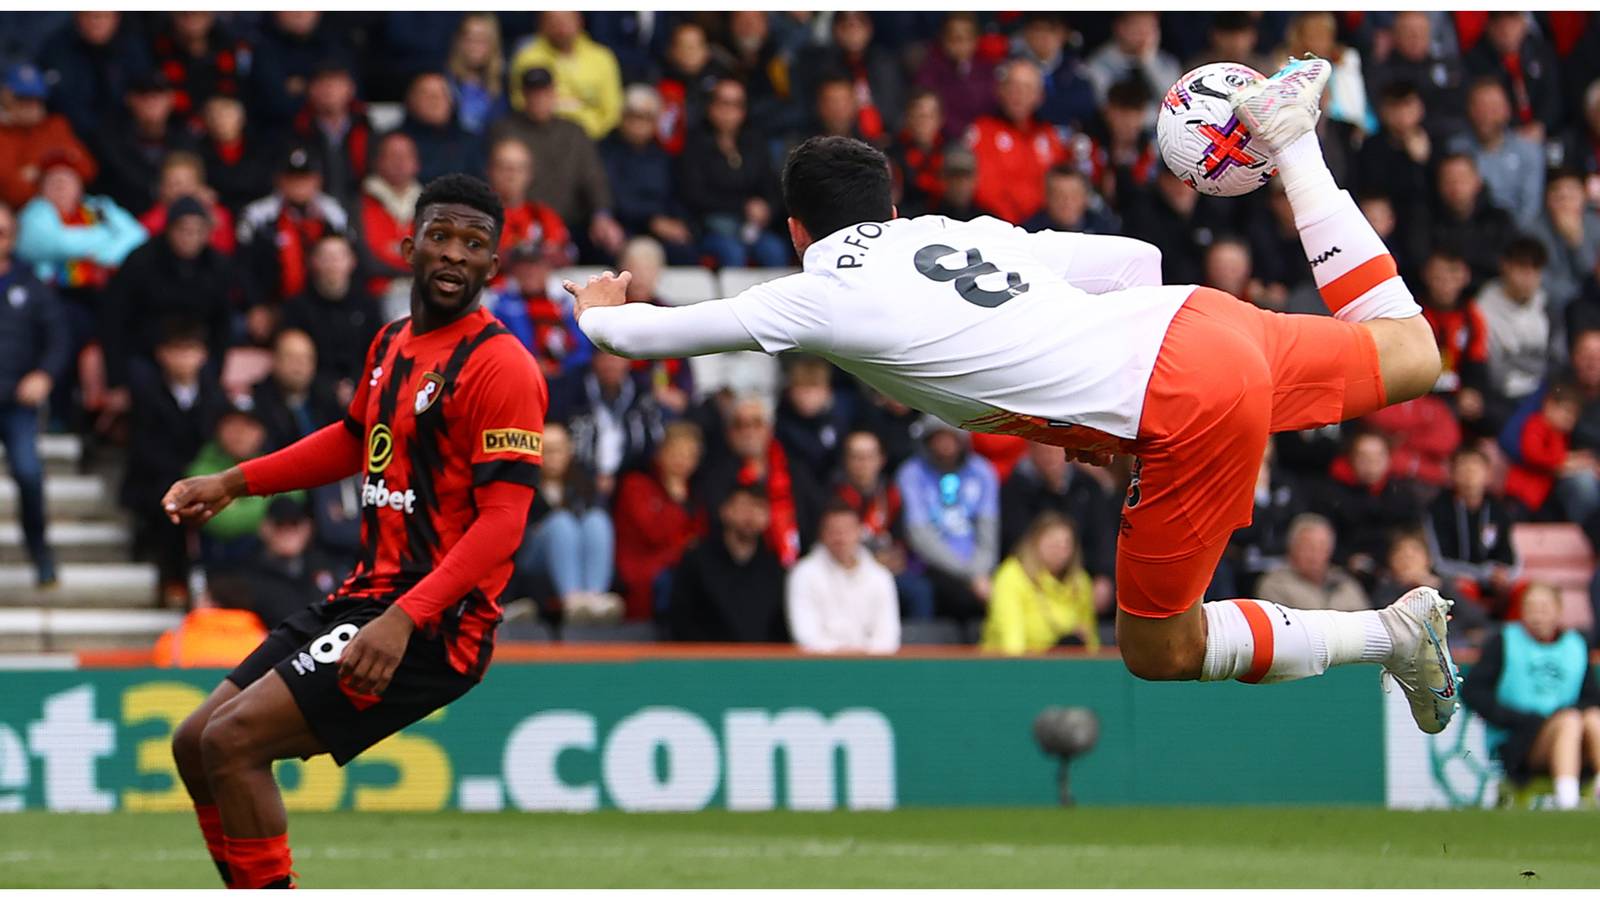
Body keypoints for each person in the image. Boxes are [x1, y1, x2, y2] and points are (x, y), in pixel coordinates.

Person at [570, 61, 1462, 734]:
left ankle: (1391, 635)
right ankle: (1295, 145)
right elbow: (1136, 262)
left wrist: (597, 306)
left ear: (800, 230)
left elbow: (638, 336)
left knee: (1160, 648)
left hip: (1180, 399)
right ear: (890, 207)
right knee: (1413, 354)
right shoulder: (954, 230)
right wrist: (1098, 401)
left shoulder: (817, 292)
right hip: (1192, 317)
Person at [160, 174, 547, 889]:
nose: (454, 254)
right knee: (194, 744)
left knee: (234, 742)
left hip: (434, 623)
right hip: (366, 596)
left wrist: (403, 620)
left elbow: (503, 523)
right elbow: (351, 439)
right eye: (440, 236)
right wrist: (232, 481)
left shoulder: (502, 367)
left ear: (494, 265)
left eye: (474, 244)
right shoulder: (392, 342)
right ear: (408, 247)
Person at [1462, 583, 1600, 811]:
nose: (1537, 616)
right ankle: (1567, 802)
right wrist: (1518, 718)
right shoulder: (1503, 641)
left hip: (1572, 732)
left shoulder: (1576, 645)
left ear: (1558, 611)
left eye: (1544, 608)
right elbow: (1474, 691)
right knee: (1569, 722)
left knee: (1593, 718)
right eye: (1531, 608)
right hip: (1519, 739)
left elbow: (1591, 697)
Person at [125, 321, 227, 605]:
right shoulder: (146, 393)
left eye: (190, 350)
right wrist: (183, 476)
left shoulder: (215, 395)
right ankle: (172, 579)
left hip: (206, 475)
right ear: (162, 354)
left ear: (203, 355)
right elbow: (142, 445)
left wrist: (200, 474)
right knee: (169, 507)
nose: (184, 358)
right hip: (159, 477)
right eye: (177, 350)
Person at [101, 195, 235, 399]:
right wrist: (116, 380)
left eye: (197, 231)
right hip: (146, 350)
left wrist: (213, 366)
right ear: (169, 230)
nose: (189, 237)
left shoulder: (218, 266)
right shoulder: (141, 261)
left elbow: (222, 322)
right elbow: (115, 319)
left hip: (196, 352)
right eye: (183, 230)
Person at [487, 67, 623, 260]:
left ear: (554, 93)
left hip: (572, 223)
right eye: (533, 93)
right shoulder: (505, 130)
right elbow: (493, 177)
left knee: (608, 246)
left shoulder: (573, 132)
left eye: (544, 93)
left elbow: (593, 178)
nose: (539, 99)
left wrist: (601, 215)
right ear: (523, 95)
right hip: (521, 222)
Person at [0, 201, 68, 586]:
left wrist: (44, 374)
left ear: (13, 238)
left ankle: (40, 549)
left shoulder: (32, 285)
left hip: (17, 401)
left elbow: (58, 337)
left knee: (28, 473)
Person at [892, 415, 1000, 626]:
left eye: (950, 436)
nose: (945, 443)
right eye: (938, 437)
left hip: (980, 566)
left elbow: (989, 529)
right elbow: (920, 536)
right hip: (932, 566)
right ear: (927, 440)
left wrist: (979, 570)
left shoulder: (982, 471)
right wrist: (969, 575)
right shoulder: (911, 474)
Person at [677, 78, 789, 268]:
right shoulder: (695, 144)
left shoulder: (754, 143)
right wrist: (743, 206)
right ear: (711, 106)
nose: (730, 111)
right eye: (724, 103)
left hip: (752, 227)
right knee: (732, 251)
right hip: (710, 226)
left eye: (737, 104)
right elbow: (694, 195)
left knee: (774, 250)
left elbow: (771, 185)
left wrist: (766, 207)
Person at [514, 422, 618, 624]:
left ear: (569, 451)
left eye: (558, 450)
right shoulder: (523, 484)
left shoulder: (583, 483)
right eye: (546, 450)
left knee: (597, 519)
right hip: (531, 558)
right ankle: (572, 599)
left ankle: (595, 597)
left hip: (577, 553)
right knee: (560, 523)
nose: (553, 457)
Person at [667, 483, 788, 642]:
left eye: (759, 508)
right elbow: (680, 619)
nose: (750, 515)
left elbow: (780, 627)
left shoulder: (774, 569)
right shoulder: (696, 561)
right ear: (725, 510)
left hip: (761, 655)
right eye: (744, 506)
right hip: (706, 654)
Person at [236, 146, 350, 313]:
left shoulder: (333, 215)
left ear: (317, 180)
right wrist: (255, 306)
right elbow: (244, 267)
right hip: (272, 305)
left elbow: (349, 263)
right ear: (279, 180)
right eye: (293, 178)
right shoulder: (257, 215)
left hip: (323, 305)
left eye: (305, 178)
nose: (299, 185)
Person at [613, 421, 705, 620]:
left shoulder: (697, 493)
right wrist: (675, 498)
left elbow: (699, 537)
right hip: (644, 574)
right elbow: (655, 533)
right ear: (661, 453)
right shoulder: (636, 486)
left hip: (679, 569)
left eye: (689, 456)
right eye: (676, 453)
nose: (682, 461)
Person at [208, 496, 344, 630]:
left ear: (307, 528)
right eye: (280, 524)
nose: (288, 532)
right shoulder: (245, 578)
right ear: (264, 528)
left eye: (294, 524)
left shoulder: (324, 566)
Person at [786, 500, 901, 654]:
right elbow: (806, 636)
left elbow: (888, 637)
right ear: (822, 534)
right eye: (833, 531)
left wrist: (861, 657)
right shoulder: (803, 574)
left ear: (859, 531)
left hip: (871, 665)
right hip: (820, 665)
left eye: (847, 530)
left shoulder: (881, 577)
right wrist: (844, 656)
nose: (840, 538)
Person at [600, 84, 697, 265]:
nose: (639, 124)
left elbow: (674, 195)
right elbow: (611, 196)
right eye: (634, 116)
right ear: (622, 117)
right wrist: (652, 220)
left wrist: (679, 223)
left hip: (658, 226)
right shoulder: (605, 151)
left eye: (647, 118)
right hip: (622, 224)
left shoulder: (663, 156)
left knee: (686, 251)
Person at [981, 511, 1099, 655]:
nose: (1060, 550)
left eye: (1066, 544)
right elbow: (1012, 641)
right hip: (1015, 663)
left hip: (1065, 662)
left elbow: (1090, 640)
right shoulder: (1012, 576)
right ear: (1035, 542)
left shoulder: (1081, 582)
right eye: (1053, 543)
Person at [279, 235, 383, 397]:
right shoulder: (296, 308)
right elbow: (293, 355)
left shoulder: (368, 305)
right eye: (326, 257)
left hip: (364, 388)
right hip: (311, 391)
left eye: (339, 257)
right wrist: (328, 389)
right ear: (313, 261)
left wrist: (356, 384)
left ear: (352, 261)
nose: (333, 264)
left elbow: (378, 353)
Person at [968, 60, 1068, 226]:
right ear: (1000, 90)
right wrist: (1016, 227)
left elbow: (1060, 187)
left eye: (1027, 88)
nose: (1019, 94)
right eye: (1013, 87)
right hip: (999, 227)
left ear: (1039, 96)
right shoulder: (983, 131)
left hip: (1043, 228)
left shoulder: (1049, 136)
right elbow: (984, 189)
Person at [1425, 445, 1518, 615]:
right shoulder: (1437, 510)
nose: (1470, 473)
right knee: (1464, 589)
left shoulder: (1500, 509)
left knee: (1523, 592)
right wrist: (1482, 574)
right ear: (1452, 474)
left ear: (1488, 474)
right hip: (1454, 581)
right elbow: (1438, 562)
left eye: (1476, 467)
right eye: (1463, 467)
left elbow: (1511, 558)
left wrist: (1504, 574)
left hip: (1491, 582)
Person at [508, 11, 622, 141]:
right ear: (542, 24)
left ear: (580, 21)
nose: (561, 26)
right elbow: (519, 101)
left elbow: (612, 111)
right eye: (553, 20)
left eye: (567, 19)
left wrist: (586, 134)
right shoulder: (527, 57)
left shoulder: (602, 57)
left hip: (593, 138)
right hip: (540, 137)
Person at [1448, 77, 1546, 227]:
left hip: (1517, 234)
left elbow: (1530, 211)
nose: (1486, 114)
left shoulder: (1529, 151)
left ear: (1507, 110)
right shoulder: (1455, 149)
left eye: (1493, 107)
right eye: (1480, 107)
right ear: (1469, 109)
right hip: (1468, 232)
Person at [0, 61, 97, 209]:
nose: (32, 106)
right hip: (22, 212)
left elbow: (87, 168)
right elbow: (12, 190)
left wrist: (40, 172)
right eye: (23, 99)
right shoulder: (3, 134)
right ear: (6, 98)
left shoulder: (55, 125)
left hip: (69, 208)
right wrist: (59, 167)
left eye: (37, 99)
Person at [249, 327, 341, 453]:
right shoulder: (257, 402)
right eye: (291, 357)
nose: (299, 365)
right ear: (275, 360)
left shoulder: (327, 398)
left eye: (306, 358)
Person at [1254, 513, 1371, 612]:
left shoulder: (1346, 584)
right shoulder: (1275, 585)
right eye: (1308, 547)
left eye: (1322, 547)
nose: (1314, 555)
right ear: (1292, 548)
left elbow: (1365, 623)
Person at [357, 131, 421, 298]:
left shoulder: (429, 205)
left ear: (416, 163)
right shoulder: (359, 204)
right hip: (378, 294)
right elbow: (367, 261)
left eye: (405, 156)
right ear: (377, 162)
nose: (400, 162)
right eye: (393, 156)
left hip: (423, 290)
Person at [137, 151, 236, 255]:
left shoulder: (218, 217)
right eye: (173, 185)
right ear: (162, 188)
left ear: (200, 186)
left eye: (187, 184)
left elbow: (225, 253)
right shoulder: (148, 223)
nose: (180, 191)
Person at [400, 71, 485, 184]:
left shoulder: (471, 143)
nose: (435, 100)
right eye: (426, 95)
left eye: (442, 94)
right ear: (411, 100)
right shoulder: (394, 143)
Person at [444, 13, 510, 136]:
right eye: (469, 39)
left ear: (493, 44)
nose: (474, 47)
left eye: (481, 40)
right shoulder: (444, 81)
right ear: (459, 42)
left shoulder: (503, 83)